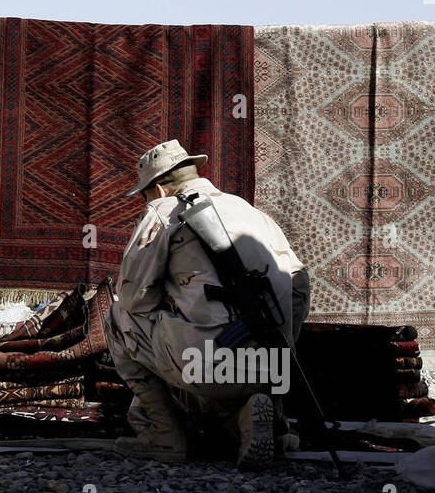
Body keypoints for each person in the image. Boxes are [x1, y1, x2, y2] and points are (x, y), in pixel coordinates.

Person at [104, 139, 311, 469]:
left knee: (115, 317)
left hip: (207, 368)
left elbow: (133, 300)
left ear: (158, 189)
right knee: (235, 339)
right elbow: (300, 288)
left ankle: (165, 436)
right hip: (274, 370)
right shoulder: (249, 210)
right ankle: (268, 419)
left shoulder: (162, 212)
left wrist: (176, 308)